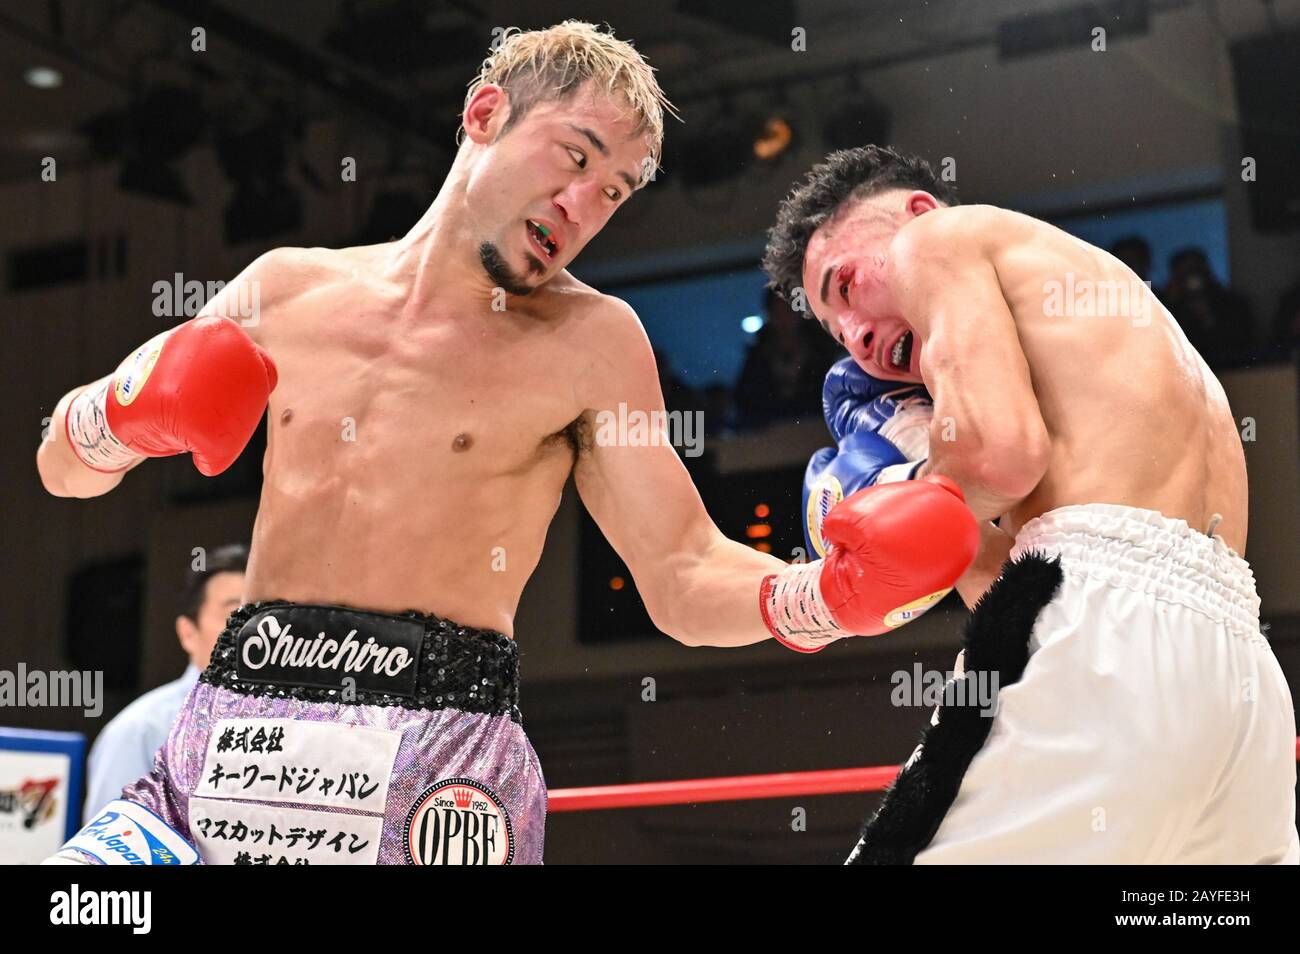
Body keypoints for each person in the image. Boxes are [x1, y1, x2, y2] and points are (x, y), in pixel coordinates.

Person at [38, 25, 978, 866]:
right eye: (573, 156)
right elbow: (61, 469)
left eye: (611, 192)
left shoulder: (593, 341)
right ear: (485, 113)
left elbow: (683, 572)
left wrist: (824, 597)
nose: (581, 203)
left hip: (437, 753)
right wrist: (118, 418)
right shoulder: (286, 288)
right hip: (232, 725)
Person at [763, 144, 1298, 864]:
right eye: (835, 333)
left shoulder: (936, 240)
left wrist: (905, 480)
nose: (855, 335)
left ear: (916, 211)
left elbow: (998, 459)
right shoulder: (1102, 316)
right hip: (1243, 677)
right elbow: (1028, 581)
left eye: (847, 285)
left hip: (1103, 647)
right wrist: (932, 503)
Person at [83, 545, 247, 822]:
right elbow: (109, 850)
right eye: (234, 615)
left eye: (262, 615)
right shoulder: (141, 729)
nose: (252, 629)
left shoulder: (299, 720)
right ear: (188, 632)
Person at [732, 288, 840, 429]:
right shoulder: (757, 358)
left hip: (816, 433)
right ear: (770, 315)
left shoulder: (820, 354)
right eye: (777, 312)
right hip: (770, 439)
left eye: (788, 311)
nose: (784, 319)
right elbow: (744, 401)